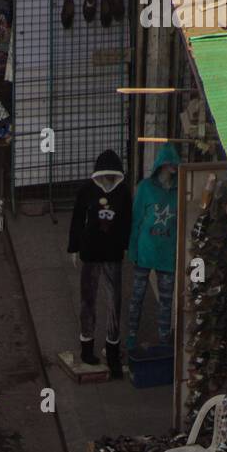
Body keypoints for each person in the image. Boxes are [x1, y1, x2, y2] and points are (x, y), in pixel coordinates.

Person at [68, 149, 132, 375]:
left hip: (113, 254)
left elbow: (127, 221)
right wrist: (74, 247)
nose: (108, 180)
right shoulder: (86, 191)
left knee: (114, 302)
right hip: (91, 252)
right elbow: (77, 219)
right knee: (88, 300)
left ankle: (112, 349)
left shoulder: (123, 192)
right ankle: (87, 346)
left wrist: (126, 245)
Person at [126, 141, 180, 354]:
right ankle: (131, 335)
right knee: (137, 296)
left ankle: (164, 339)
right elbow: (136, 220)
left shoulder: (179, 189)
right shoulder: (145, 188)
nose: (173, 167)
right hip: (146, 251)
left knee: (166, 301)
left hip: (167, 254)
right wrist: (133, 249)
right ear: (162, 165)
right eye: (170, 163)